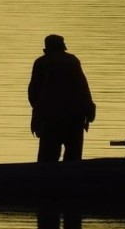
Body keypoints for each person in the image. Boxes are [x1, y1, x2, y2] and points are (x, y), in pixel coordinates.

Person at [28, 34, 96, 163]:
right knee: (73, 157)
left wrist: (38, 115)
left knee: (47, 159)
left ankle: (45, 181)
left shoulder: (41, 63)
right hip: (74, 117)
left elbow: (33, 93)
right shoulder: (72, 61)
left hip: (50, 117)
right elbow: (83, 88)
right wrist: (89, 110)